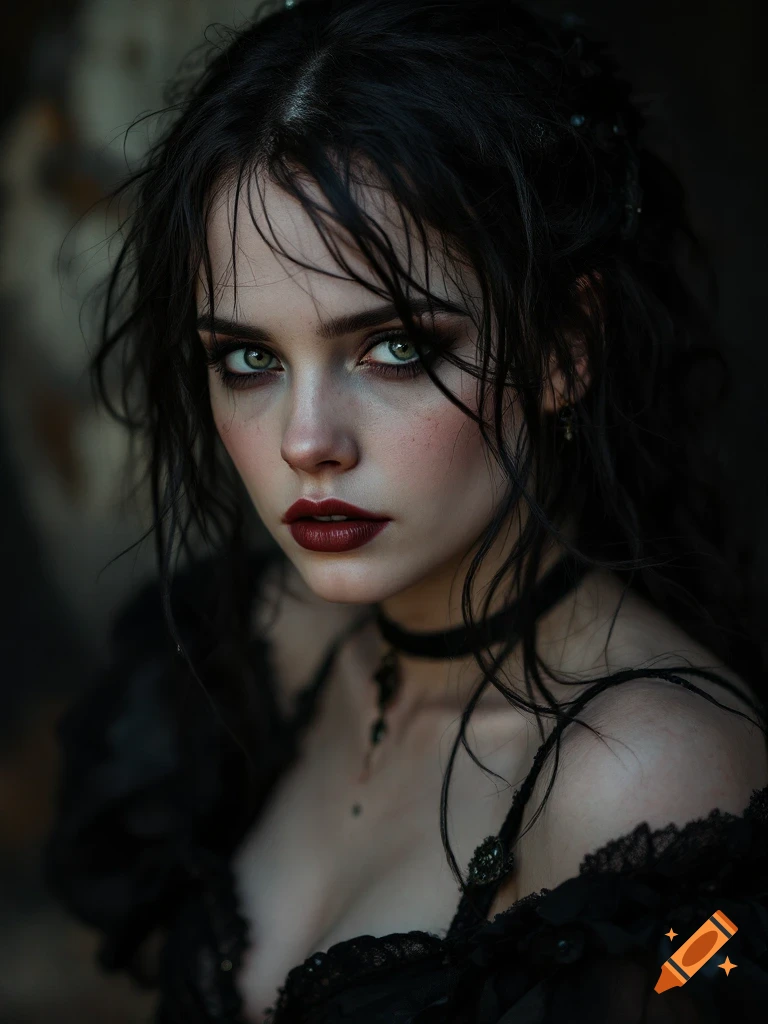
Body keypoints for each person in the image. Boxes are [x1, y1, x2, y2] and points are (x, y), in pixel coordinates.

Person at [46, 1, 768, 1021]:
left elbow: (712, 977)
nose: (307, 441)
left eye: (394, 347)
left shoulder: (648, 780)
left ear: (563, 345)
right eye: (247, 358)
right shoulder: (255, 653)